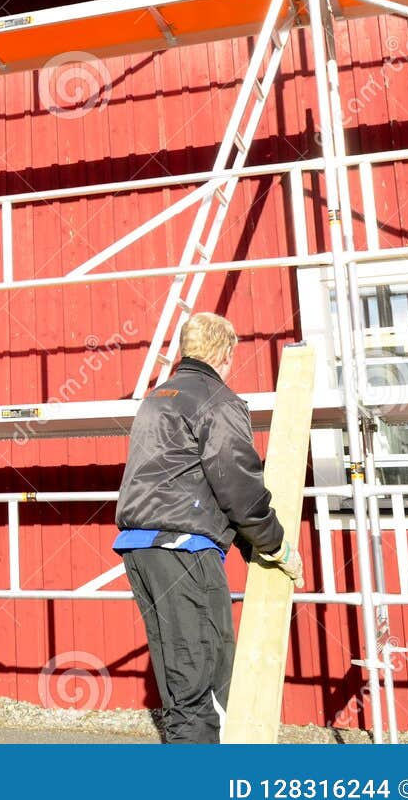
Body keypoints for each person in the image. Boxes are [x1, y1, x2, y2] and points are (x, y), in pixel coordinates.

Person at [115, 312, 304, 743]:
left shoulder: (158, 397)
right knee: (201, 685)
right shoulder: (216, 400)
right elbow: (237, 484)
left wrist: (244, 541)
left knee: (183, 677)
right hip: (184, 551)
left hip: (141, 550)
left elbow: (184, 480)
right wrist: (275, 545)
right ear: (224, 352)